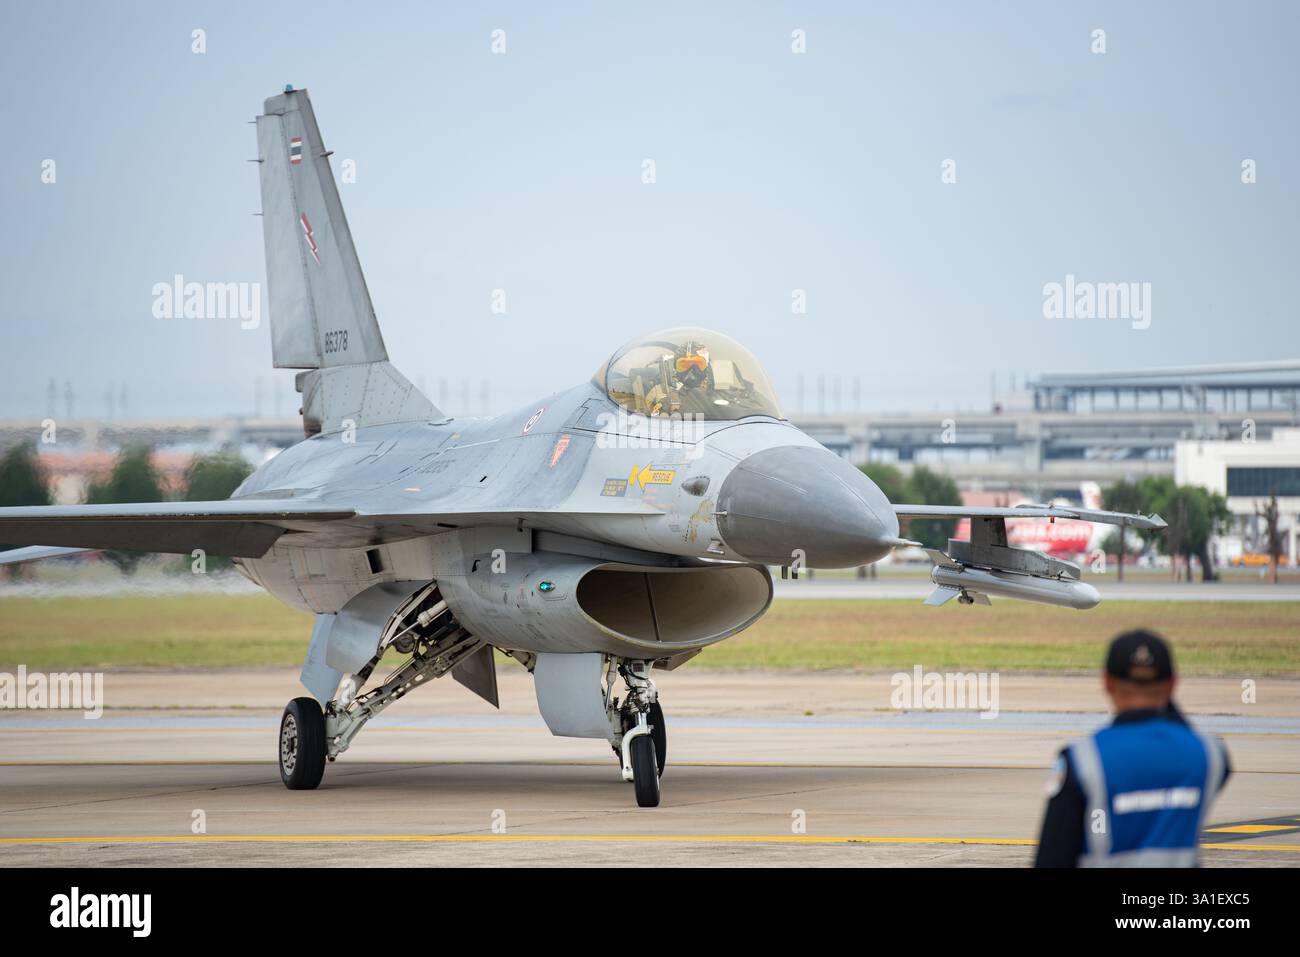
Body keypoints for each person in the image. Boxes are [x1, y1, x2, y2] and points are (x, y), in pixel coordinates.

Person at [1034, 630, 1230, 867]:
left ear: (1106, 683)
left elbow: (1052, 858)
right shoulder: (1210, 755)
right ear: (1172, 685)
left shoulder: (1082, 760)